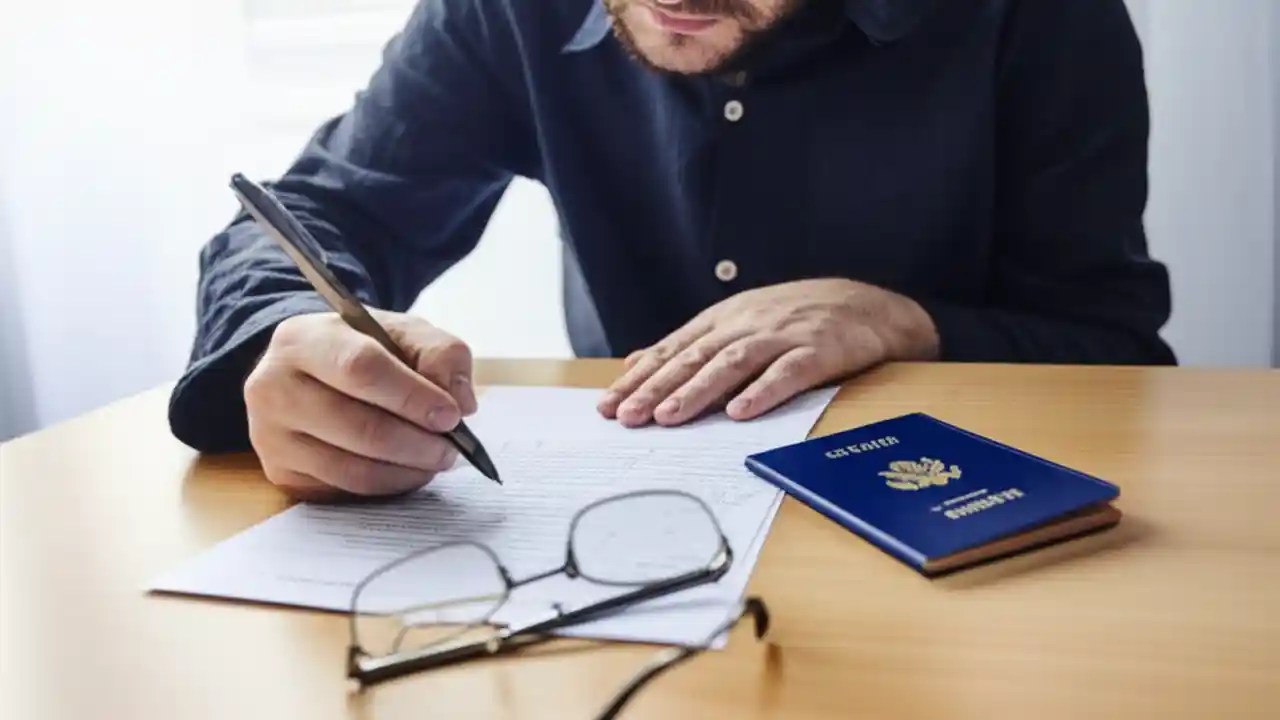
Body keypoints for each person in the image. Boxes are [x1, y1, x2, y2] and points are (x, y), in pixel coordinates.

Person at [170, 0, 1175, 500]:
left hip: (965, 557)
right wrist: (294, 334)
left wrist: (909, 323)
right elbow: (316, 215)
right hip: (620, 550)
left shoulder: (1040, 17)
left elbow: (1112, 356)